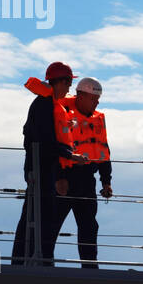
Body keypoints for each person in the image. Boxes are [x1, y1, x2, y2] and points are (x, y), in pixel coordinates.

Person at [11, 62, 79, 265]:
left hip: (44, 167)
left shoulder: (48, 104)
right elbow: (44, 140)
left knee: (38, 214)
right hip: (39, 168)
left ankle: (31, 258)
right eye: (68, 83)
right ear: (60, 82)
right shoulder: (43, 105)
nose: (69, 89)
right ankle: (30, 259)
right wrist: (71, 155)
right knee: (37, 215)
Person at [51, 76, 112, 269]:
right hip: (65, 179)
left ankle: (90, 268)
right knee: (52, 224)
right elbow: (55, 148)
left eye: (98, 98)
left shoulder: (98, 119)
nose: (97, 101)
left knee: (89, 226)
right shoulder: (63, 112)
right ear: (81, 95)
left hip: (87, 180)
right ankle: (43, 264)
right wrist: (60, 177)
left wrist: (106, 182)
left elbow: (103, 150)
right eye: (94, 97)